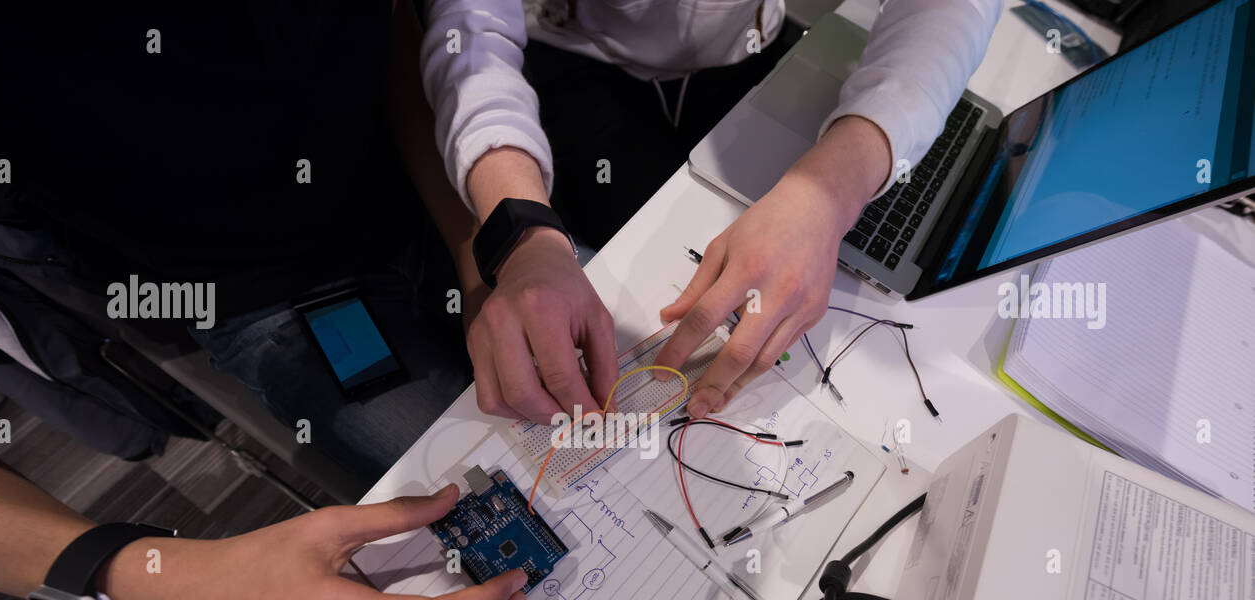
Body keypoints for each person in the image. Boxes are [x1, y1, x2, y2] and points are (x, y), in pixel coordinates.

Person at [0, 4, 525, 600]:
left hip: (433, 167)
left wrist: (483, 242)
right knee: (502, 549)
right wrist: (148, 590)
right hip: (266, 287)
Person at [420, 0, 1002, 421]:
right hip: (564, 64)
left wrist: (833, 189)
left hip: (753, 53)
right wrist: (523, 233)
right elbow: (469, 32)